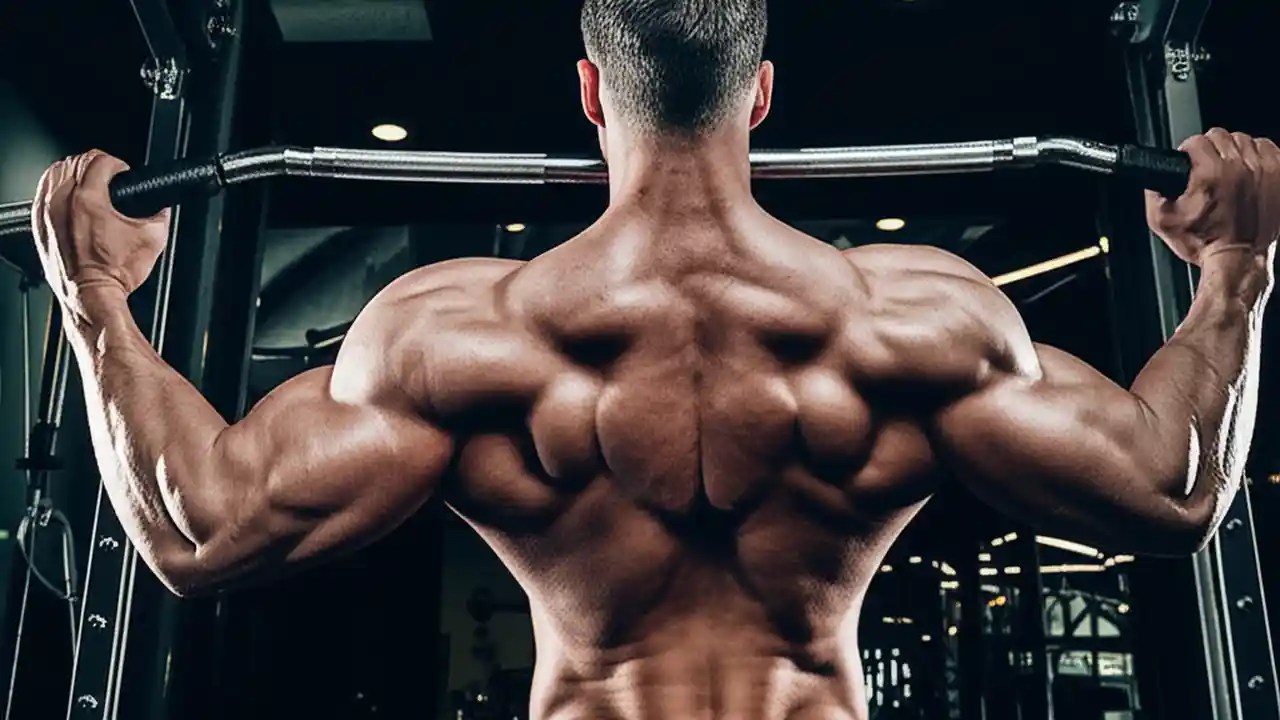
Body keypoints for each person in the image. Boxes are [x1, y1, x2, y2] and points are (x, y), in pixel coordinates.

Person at [29, 1, 1278, 718]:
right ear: (763, 94)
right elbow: (1171, 492)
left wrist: (94, 297)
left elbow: (200, 533)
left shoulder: (460, 337)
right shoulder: (917, 324)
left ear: (586, 92)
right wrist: (1234, 269)